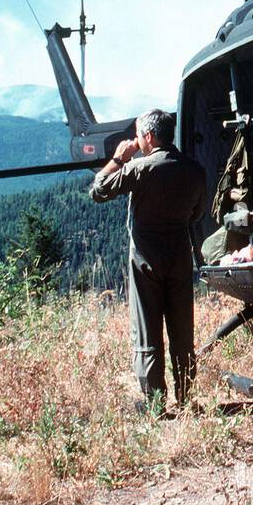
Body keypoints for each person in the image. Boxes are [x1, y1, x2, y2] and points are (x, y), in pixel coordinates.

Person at [89, 108, 207, 411]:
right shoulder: (194, 170)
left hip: (145, 261)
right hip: (180, 258)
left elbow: (98, 191)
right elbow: (197, 214)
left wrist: (118, 158)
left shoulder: (139, 169)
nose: (137, 141)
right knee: (182, 331)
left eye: (139, 135)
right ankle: (186, 398)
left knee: (147, 332)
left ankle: (155, 404)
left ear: (149, 136)